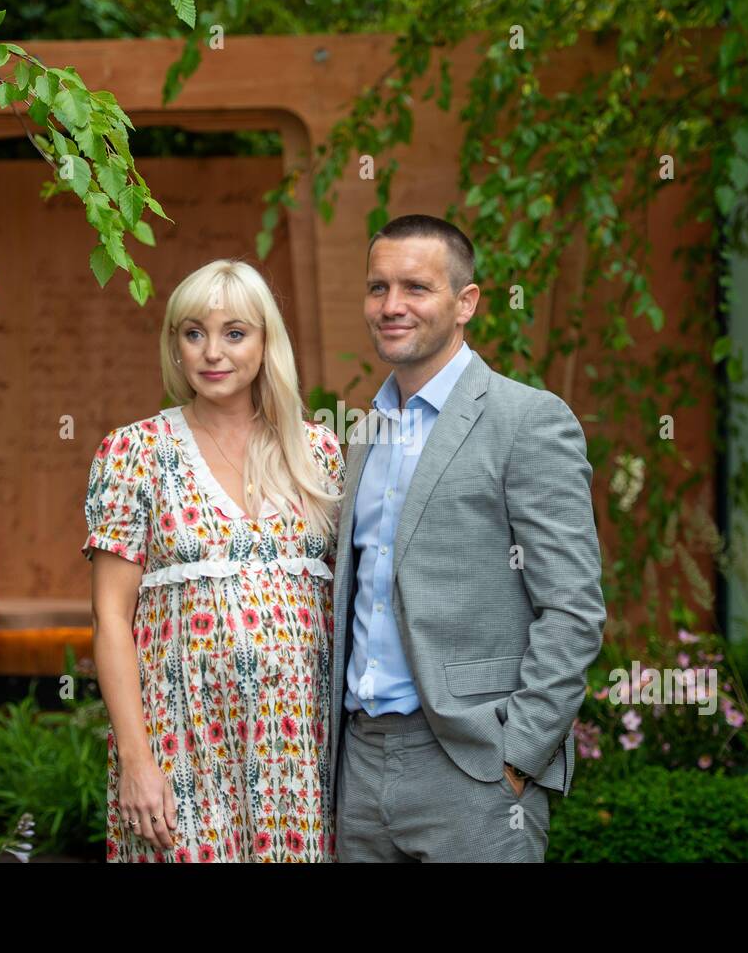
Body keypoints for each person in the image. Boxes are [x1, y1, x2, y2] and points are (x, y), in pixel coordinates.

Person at [330, 214, 607, 862]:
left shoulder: (526, 421)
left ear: (466, 303)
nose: (391, 306)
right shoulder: (364, 432)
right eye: (377, 288)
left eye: (415, 288)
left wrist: (521, 752)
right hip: (359, 767)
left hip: (473, 771)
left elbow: (573, 608)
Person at [82, 259, 344, 862]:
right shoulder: (135, 452)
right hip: (181, 746)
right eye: (193, 332)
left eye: (234, 332)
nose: (211, 352)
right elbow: (110, 619)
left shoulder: (319, 453)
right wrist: (136, 760)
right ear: (174, 344)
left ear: (265, 341)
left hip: (298, 755)